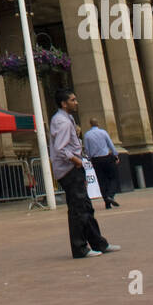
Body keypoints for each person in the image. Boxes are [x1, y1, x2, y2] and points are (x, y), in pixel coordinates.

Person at [49, 89, 120, 260]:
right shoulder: (63, 122)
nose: (76, 102)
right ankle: (80, 248)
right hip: (69, 170)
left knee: (85, 207)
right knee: (78, 210)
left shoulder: (67, 119)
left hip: (71, 168)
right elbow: (60, 148)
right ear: (63, 103)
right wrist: (76, 161)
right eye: (73, 100)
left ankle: (98, 243)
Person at [84, 117, 121, 209]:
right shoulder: (103, 132)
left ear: (90, 124)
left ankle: (107, 203)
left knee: (101, 181)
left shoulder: (87, 135)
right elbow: (110, 144)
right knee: (113, 178)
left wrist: (90, 158)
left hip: (96, 160)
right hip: (106, 157)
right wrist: (115, 155)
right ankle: (110, 195)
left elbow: (87, 149)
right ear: (98, 124)